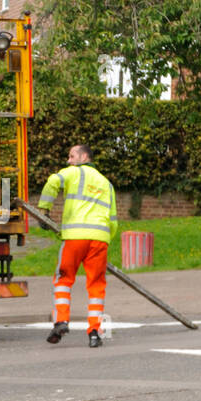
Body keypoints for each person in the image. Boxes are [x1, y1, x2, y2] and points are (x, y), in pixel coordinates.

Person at [38, 144, 117, 348]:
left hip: (74, 237)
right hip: (99, 239)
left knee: (63, 280)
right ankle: (94, 332)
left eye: (71, 156)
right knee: (96, 286)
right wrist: (105, 238)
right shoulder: (107, 184)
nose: (68, 160)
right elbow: (113, 220)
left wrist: (44, 210)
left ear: (83, 157)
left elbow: (53, 181)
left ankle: (61, 321)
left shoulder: (74, 173)